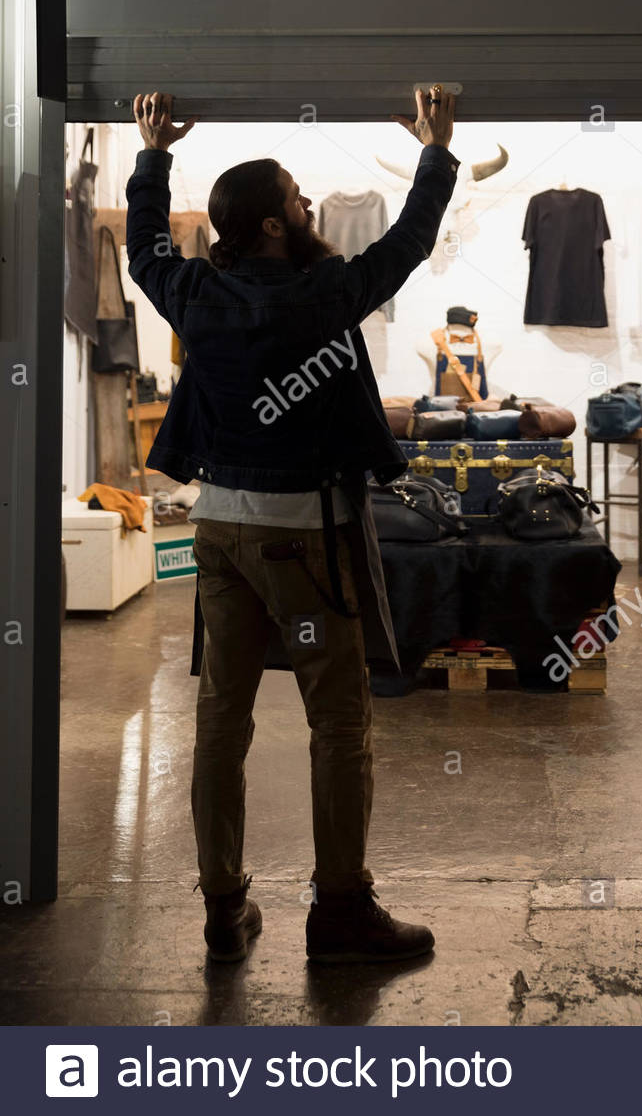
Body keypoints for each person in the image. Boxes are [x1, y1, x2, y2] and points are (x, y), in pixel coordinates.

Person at [125, 86, 459, 964]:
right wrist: (435, 149)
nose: (310, 205)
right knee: (338, 722)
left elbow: (144, 250)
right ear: (273, 225)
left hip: (220, 533)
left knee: (219, 719)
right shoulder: (325, 293)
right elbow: (410, 243)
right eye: (297, 197)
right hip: (306, 541)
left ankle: (223, 908)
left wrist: (153, 156)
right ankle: (341, 911)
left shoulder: (194, 293)